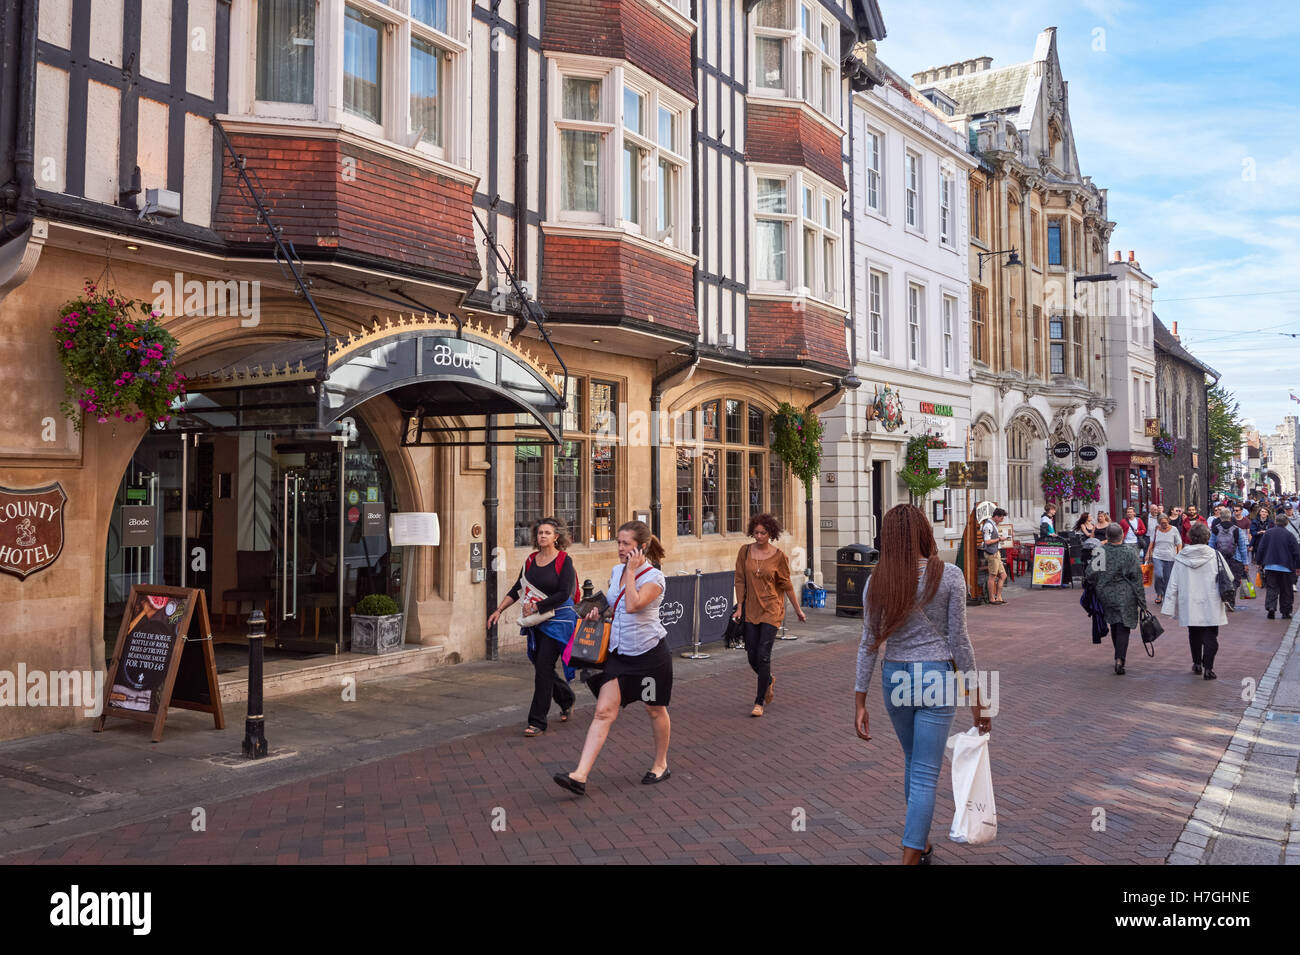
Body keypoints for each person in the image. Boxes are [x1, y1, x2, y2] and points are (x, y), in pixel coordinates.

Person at [854, 504, 989, 866]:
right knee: (926, 773)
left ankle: (922, 847)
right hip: (935, 675)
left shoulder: (877, 579)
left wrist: (860, 699)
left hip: (895, 674)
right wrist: (978, 697)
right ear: (924, 531)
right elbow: (959, 641)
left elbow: (869, 642)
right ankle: (910, 856)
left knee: (914, 763)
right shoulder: (950, 576)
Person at [553, 520, 672, 795]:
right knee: (604, 711)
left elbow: (633, 605)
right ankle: (579, 776)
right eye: (618, 542)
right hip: (620, 655)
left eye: (625, 543)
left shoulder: (654, 578)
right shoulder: (616, 570)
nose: (619, 547)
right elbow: (617, 608)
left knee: (654, 709)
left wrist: (631, 571)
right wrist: (598, 613)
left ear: (640, 548)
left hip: (649, 658)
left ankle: (661, 763)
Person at [489, 517, 579, 737]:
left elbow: (563, 593)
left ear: (556, 537)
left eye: (547, 533)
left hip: (558, 621)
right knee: (542, 667)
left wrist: (538, 606)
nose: (543, 536)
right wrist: (499, 610)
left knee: (543, 669)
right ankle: (566, 698)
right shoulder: (530, 560)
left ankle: (537, 721)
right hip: (536, 621)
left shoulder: (564, 560)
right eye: (540, 533)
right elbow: (517, 590)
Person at [732, 513, 806, 717]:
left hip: (772, 609)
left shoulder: (779, 556)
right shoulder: (744, 552)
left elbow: (786, 584)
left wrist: (798, 610)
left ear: (770, 533)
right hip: (751, 609)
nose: (758, 536)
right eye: (755, 532)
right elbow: (739, 579)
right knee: (751, 655)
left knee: (763, 655)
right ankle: (769, 679)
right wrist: (739, 607)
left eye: (763, 533)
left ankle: (759, 702)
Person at [1162, 522, 1228, 680]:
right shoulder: (1215, 555)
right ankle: (1208, 668)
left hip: (1190, 601)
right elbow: (1229, 577)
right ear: (1207, 537)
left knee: (1194, 633)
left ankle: (1197, 663)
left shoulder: (1181, 557)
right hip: (1210, 601)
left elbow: (1173, 583)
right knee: (1211, 636)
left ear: (1190, 537)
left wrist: (1168, 607)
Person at [1086, 522, 1147, 675]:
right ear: (1122, 536)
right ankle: (1120, 658)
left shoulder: (1101, 551)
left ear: (1107, 536)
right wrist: (1142, 601)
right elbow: (1137, 579)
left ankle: (1118, 655)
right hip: (1125, 594)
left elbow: (1090, 574)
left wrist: (1098, 582)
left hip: (1105, 594)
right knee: (1123, 626)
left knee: (1114, 622)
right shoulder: (1130, 552)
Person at [1256, 514, 1300, 620]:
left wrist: (1259, 562)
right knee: (1286, 590)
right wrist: (1298, 566)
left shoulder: (1268, 533)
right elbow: (1296, 552)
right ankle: (1286, 612)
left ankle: (1271, 607)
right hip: (1286, 566)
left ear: (1275, 522)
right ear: (1286, 523)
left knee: (1272, 587)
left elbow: (1261, 548)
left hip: (1270, 565)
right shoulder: (1290, 535)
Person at [1210, 506, 1248, 610]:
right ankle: (1230, 601)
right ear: (1230, 517)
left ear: (1220, 517)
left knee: (1221, 579)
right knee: (1234, 580)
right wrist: (1245, 563)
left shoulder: (1215, 529)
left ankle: (1222, 599)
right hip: (1235, 558)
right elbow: (1242, 547)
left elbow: (1211, 545)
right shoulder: (1237, 530)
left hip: (1219, 559)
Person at [1146, 511, 1182, 605]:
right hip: (1157, 555)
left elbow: (1179, 543)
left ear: (1168, 521)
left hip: (1170, 557)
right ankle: (1159, 593)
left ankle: (1166, 595)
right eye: (1162, 523)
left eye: (1165, 523)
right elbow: (1151, 542)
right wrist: (1147, 553)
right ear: (1159, 522)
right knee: (1158, 575)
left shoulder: (1174, 529)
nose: (1164, 525)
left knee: (1167, 577)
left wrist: (1179, 553)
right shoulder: (1156, 529)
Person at [981, 507, 1009, 605]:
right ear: (996, 516)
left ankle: (999, 597)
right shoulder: (988, 526)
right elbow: (987, 541)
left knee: (1003, 575)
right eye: (1001, 518)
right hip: (991, 553)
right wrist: (999, 539)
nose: (1002, 521)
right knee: (992, 576)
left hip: (996, 552)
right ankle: (992, 598)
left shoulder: (993, 525)